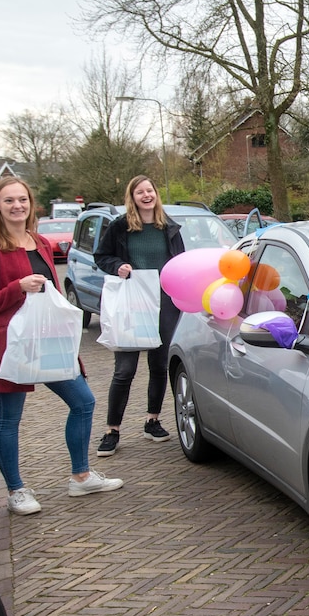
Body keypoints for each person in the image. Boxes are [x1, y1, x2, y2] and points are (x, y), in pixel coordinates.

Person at [0, 177, 124, 516]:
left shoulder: (38, 242)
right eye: (8, 201)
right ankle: (16, 490)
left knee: (83, 401)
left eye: (22, 199)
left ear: (30, 203)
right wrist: (17, 287)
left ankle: (81, 476)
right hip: (10, 344)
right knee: (9, 419)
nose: (16, 206)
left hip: (47, 339)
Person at [92, 175, 187, 456]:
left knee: (159, 367)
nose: (146, 195)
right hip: (132, 307)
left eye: (150, 191)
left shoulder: (168, 227)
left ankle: (152, 421)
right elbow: (102, 256)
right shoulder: (120, 227)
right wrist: (118, 265)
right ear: (132, 197)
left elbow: (180, 263)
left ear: (156, 194)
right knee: (124, 370)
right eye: (139, 192)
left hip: (164, 305)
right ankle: (112, 430)